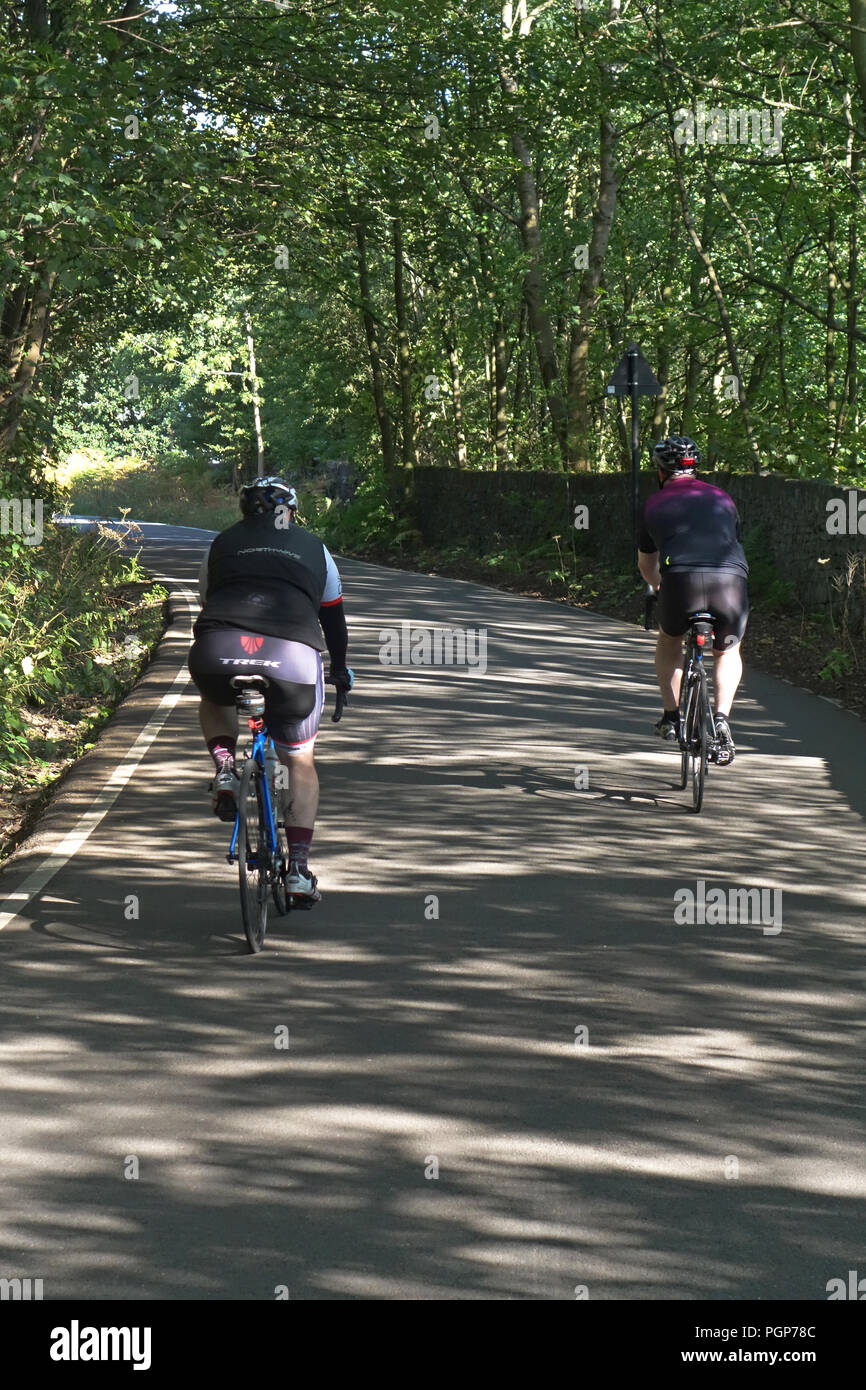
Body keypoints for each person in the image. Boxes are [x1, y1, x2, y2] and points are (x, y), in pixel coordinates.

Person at [188, 477, 352, 901]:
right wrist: (340, 669)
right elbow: (333, 619)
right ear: (291, 512)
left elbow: (209, 602)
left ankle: (224, 765)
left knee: (214, 694)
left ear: (244, 511)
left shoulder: (221, 543)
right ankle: (298, 868)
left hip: (217, 651)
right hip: (292, 661)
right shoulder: (316, 548)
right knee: (298, 760)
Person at [637, 436, 748, 765]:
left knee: (670, 639)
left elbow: (646, 565)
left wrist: (659, 586)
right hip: (731, 579)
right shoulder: (723, 499)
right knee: (727, 649)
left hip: (680, 580)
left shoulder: (653, 505)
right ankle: (722, 722)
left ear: (660, 472)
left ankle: (671, 718)